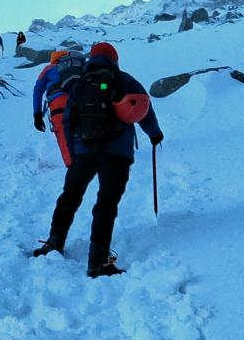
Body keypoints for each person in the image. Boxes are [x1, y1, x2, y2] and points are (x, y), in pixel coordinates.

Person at [32, 41, 163, 277]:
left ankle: (54, 242)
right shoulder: (124, 79)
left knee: (69, 198)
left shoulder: (80, 83)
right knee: (106, 205)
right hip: (117, 154)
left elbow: (68, 121)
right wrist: (154, 134)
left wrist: (74, 154)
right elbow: (143, 107)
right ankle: (97, 261)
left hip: (84, 153)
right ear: (114, 58)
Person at [31, 50, 76, 166]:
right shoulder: (76, 67)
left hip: (58, 106)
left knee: (64, 138)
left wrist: (37, 114)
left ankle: (74, 168)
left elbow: (37, 91)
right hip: (79, 102)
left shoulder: (48, 69)